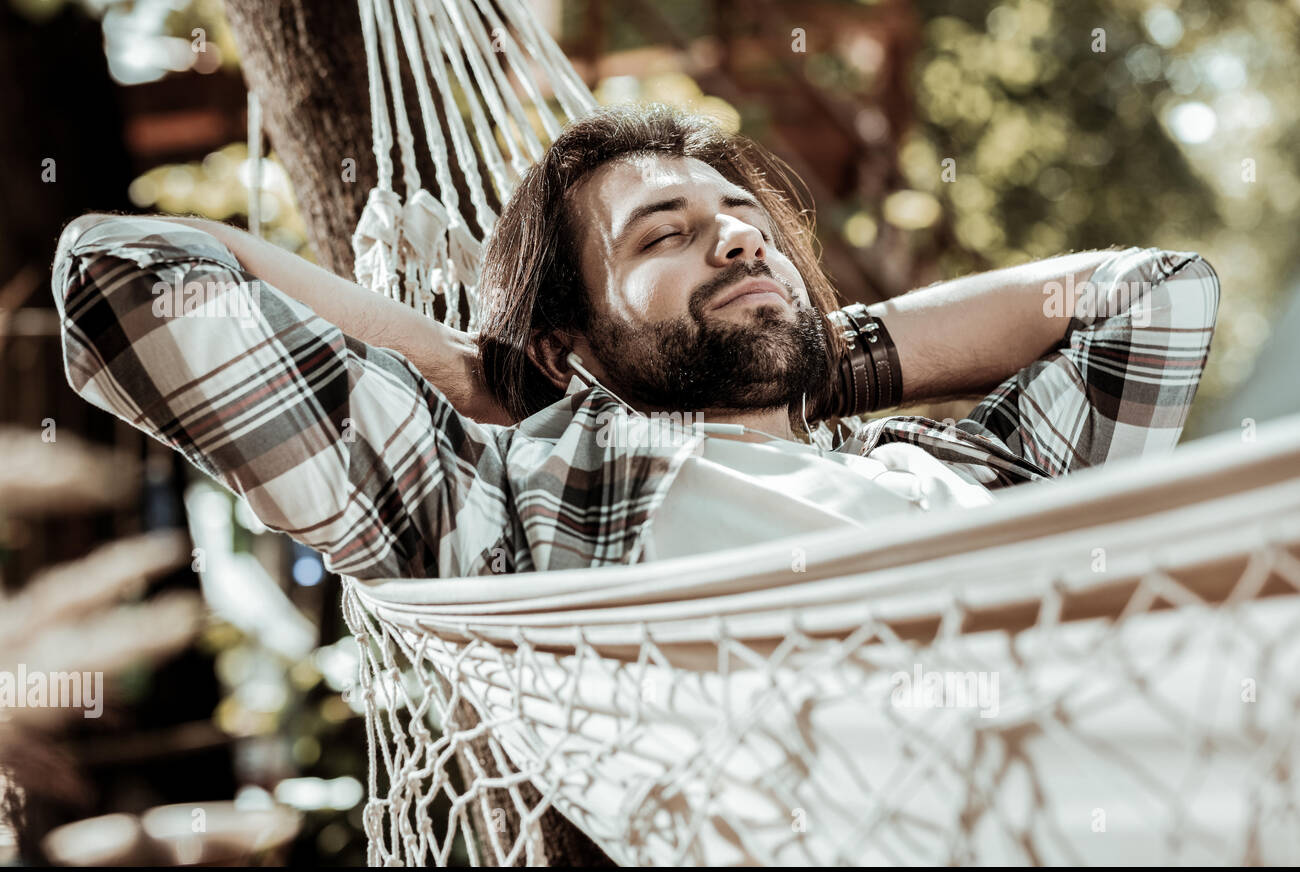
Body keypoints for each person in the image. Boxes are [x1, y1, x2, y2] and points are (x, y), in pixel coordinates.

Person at [51, 104, 1219, 580]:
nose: (739, 246)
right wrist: (480, 379)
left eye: (750, 229)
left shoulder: (961, 468)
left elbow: (1158, 295)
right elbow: (124, 279)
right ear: (568, 344)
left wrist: (818, 356)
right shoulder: (514, 513)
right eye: (667, 233)